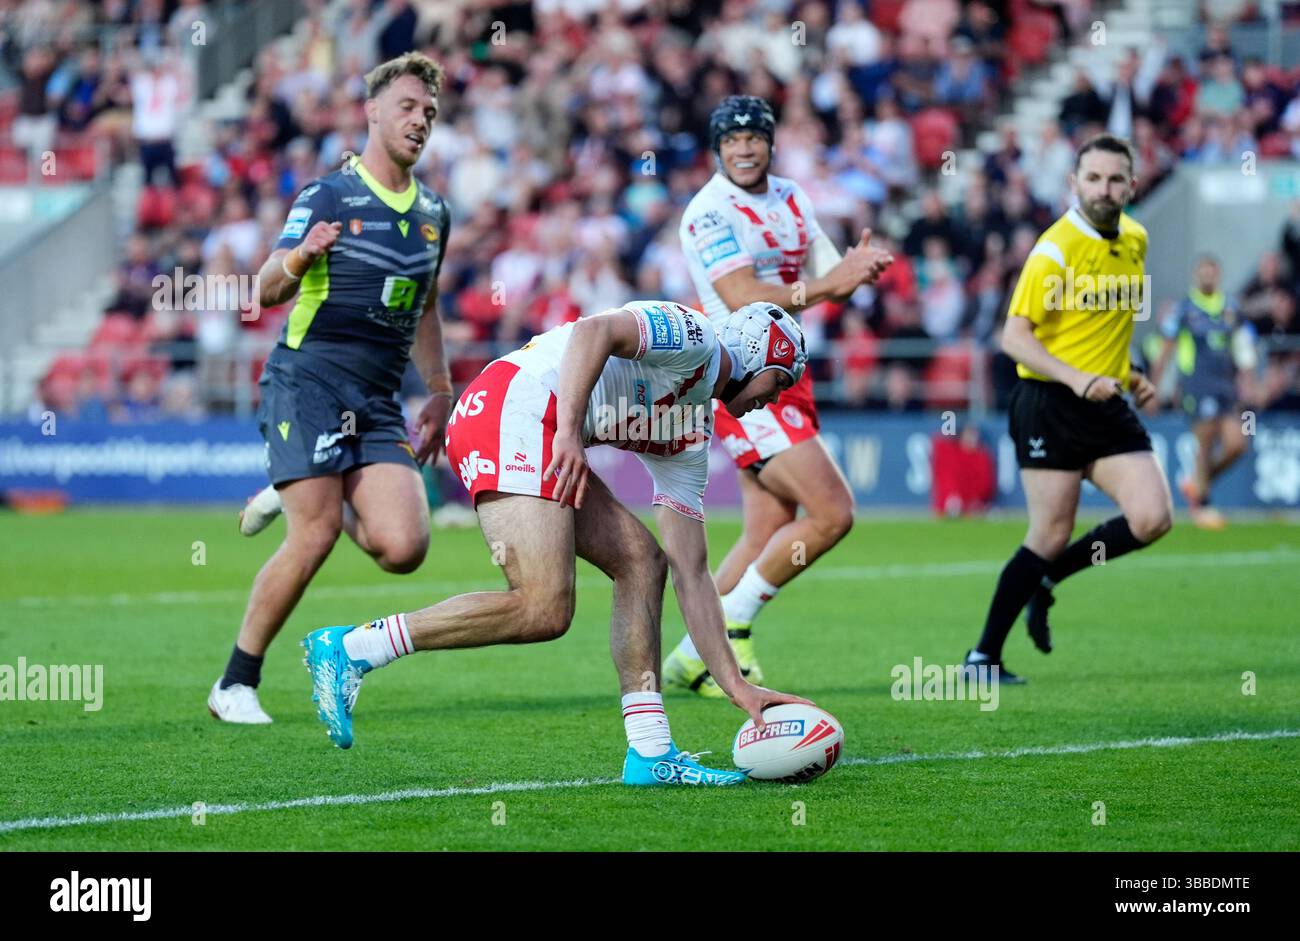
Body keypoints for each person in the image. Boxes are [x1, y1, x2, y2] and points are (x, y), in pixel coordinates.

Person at [302, 300, 814, 785]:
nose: (776, 397)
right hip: (513, 408)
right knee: (543, 608)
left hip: (544, 426)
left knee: (644, 562)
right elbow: (596, 330)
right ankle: (353, 647)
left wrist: (736, 685)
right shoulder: (695, 336)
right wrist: (570, 430)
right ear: (754, 351)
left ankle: (651, 752)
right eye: (779, 380)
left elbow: (693, 572)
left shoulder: (690, 432)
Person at [208, 53, 454, 723]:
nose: (419, 120)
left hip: (375, 399)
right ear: (372, 111)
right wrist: (300, 256)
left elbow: (426, 304)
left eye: (428, 112)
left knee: (403, 549)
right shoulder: (328, 196)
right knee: (313, 535)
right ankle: (235, 683)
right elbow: (262, 290)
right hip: (308, 378)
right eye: (406, 106)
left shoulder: (434, 212)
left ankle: (293, 486)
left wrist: (440, 386)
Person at [662, 95, 892, 696]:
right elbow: (741, 296)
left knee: (766, 528)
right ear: (717, 149)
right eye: (731, 140)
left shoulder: (792, 197)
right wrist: (828, 283)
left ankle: (691, 658)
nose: (743, 148)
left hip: (788, 371)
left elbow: (829, 281)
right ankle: (732, 624)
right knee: (834, 512)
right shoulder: (707, 213)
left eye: (754, 138)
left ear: (769, 143)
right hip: (742, 376)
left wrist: (856, 269)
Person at [962, 133, 1173, 682]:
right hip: (1050, 402)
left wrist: (1130, 375)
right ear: (1073, 184)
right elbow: (1014, 337)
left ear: (1132, 184)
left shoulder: (1135, 240)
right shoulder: (1054, 249)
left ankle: (1049, 580)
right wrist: (1079, 379)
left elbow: (1103, 325)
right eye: (1094, 178)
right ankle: (982, 657)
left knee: (1152, 518)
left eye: (1115, 179)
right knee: (1049, 532)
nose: (1104, 188)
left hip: (1104, 398)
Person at [1152, 255, 1257, 529]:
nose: (1208, 277)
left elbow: (1243, 346)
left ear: (1218, 275)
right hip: (1197, 385)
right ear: (1196, 276)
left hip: (1226, 386)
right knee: (1206, 441)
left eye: (1212, 272)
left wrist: (1248, 381)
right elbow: (1166, 348)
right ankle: (1203, 505)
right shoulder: (1184, 309)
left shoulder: (1231, 307)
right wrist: (1153, 386)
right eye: (1203, 272)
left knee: (1237, 444)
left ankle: (1197, 485)